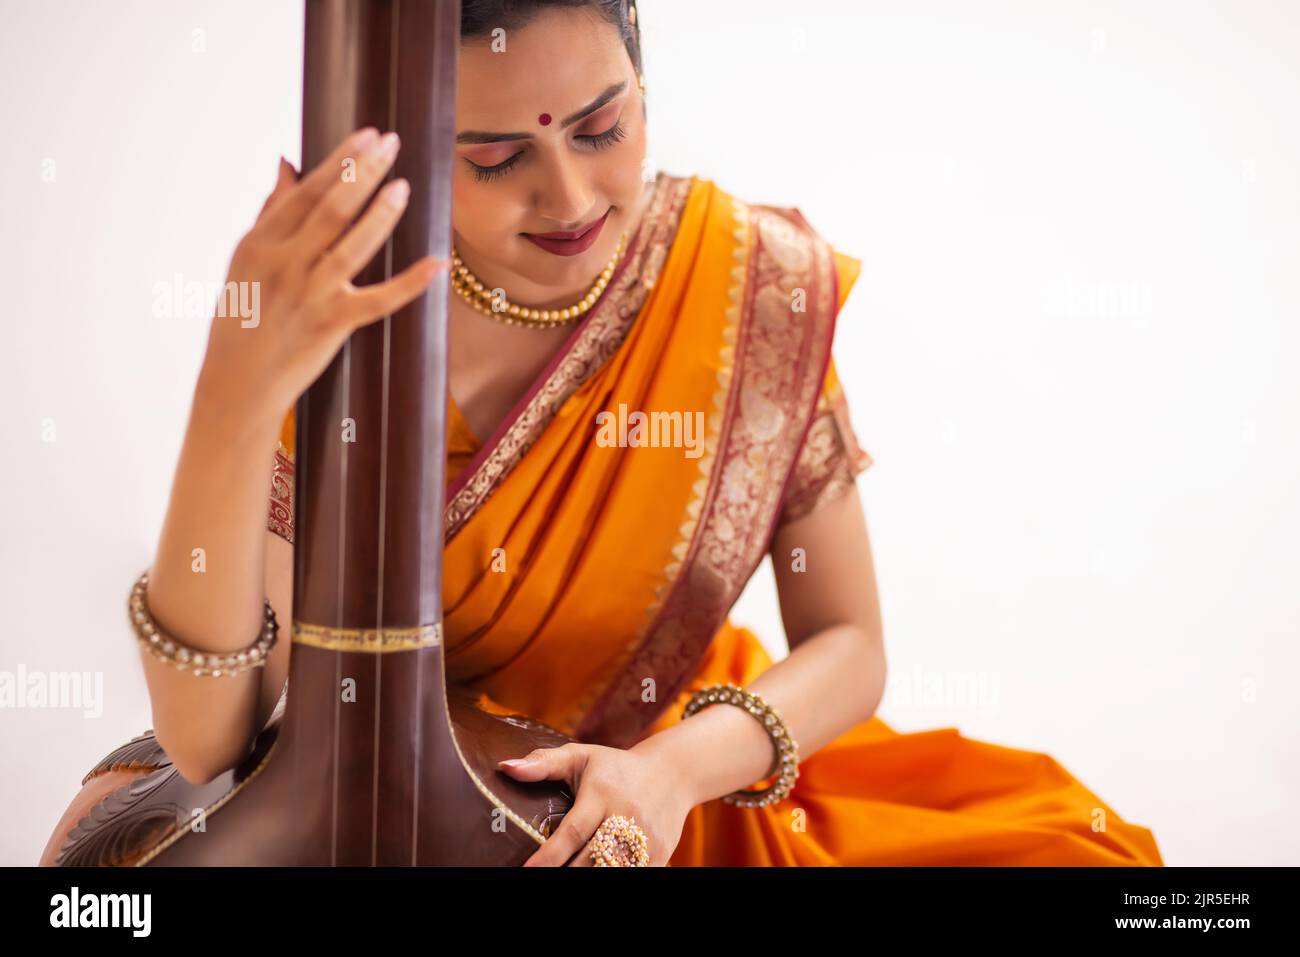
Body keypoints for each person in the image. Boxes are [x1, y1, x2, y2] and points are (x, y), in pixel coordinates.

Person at [138, 0, 1164, 866]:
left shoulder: (746, 288)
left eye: (599, 127)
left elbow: (849, 644)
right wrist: (233, 389)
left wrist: (673, 771)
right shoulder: (350, 326)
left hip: (684, 782)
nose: (573, 197)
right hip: (420, 822)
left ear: (643, 75)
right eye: (497, 159)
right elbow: (209, 738)